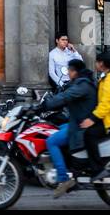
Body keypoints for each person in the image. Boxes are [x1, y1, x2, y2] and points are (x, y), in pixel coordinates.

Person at [38, 58, 95, 195]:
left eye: (69, 70)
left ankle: (63, 178)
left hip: (81, 128)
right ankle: (64, 164)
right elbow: (65, 96)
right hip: (76, 123)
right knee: (58, 128)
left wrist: (44, 105)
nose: (68, 73)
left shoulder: (82, 85)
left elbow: (65, 97)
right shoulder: (82, 83)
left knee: (51, 141)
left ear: (74, 71)